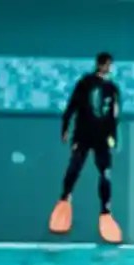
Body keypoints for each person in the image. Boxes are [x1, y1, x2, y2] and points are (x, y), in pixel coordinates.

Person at [48, 52, 124, 244]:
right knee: (76, 167)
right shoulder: (87, 83)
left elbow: (115, 117)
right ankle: (66, 197)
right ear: (102, 65)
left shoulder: (111, 88)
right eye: (105, 64)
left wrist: (114, 138)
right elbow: (72, 106)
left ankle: (104, 209)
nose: (106, 67)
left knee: (102, 173)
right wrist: (65, 128)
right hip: (84, 135)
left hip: (99, 138)